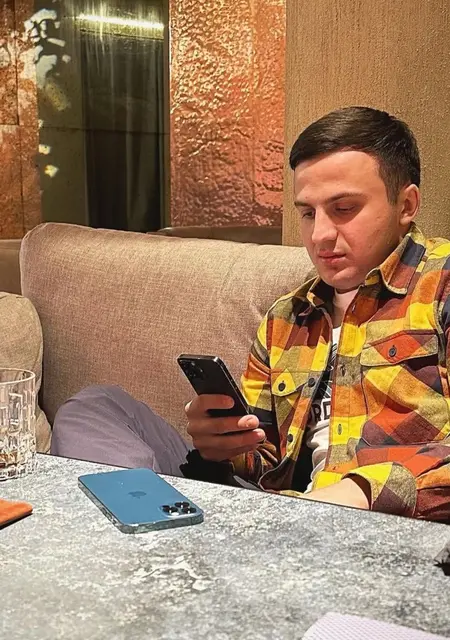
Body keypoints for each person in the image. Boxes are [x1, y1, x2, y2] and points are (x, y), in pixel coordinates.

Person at [51, 106, 450, 522]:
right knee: (95, 406)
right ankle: (155, 530)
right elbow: (264, 464)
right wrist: (224, 445)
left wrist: (362, 491)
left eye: (344, 208)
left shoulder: (440, 285)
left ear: (406, 204)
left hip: (374, 526)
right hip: (268, 509)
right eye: (308, 213)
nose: (319, 235)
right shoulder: (287, 317)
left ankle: (157, 537)